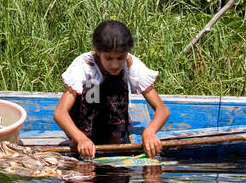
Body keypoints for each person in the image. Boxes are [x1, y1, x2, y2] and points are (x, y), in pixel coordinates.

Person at [54, 20, 169, 159]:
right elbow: (60, 113)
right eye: (108, 58)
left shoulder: (130, 63)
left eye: (120, 58)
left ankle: (114, 139)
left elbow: (162, 109)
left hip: (114, 124)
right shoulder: (85, 66)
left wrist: (149, 132)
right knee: (93, 85)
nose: (115, 64)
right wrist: (80, 138)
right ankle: (85, 137)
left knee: (115, 84)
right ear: (98, 52)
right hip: (84, 123)